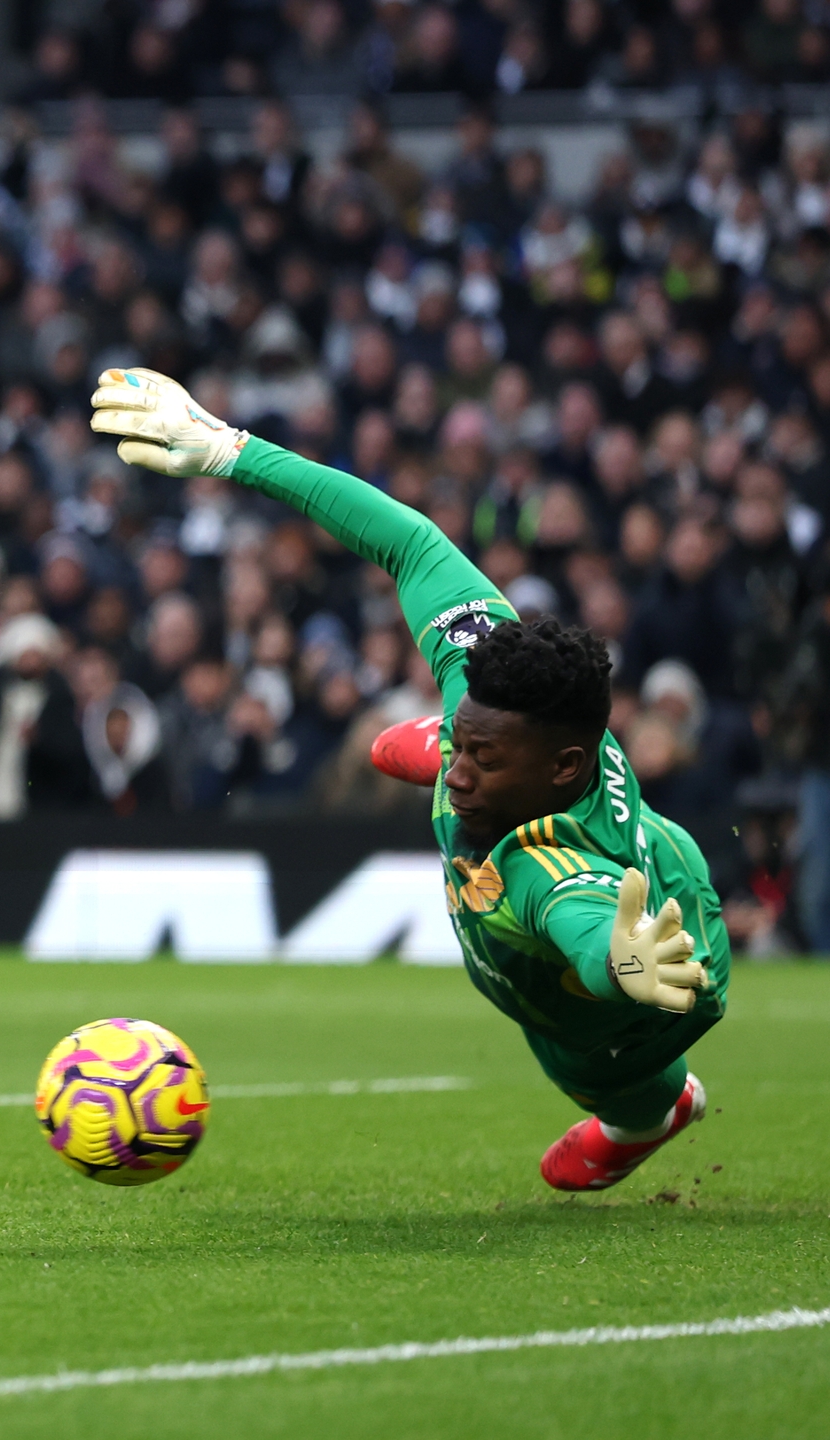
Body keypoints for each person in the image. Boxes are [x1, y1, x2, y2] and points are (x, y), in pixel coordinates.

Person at [93, 367, 722, 1192]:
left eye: (482, 759)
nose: (461, 775)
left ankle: (652, 1113)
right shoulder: (497, 676)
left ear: (563, 768)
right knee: (404, 751)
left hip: (646, 973)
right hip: (634, 863)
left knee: (588, 1060)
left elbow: (586, 922)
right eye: (461, 743)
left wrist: (619, 966)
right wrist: (228, 451)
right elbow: (409, 539)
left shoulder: (545, 867)